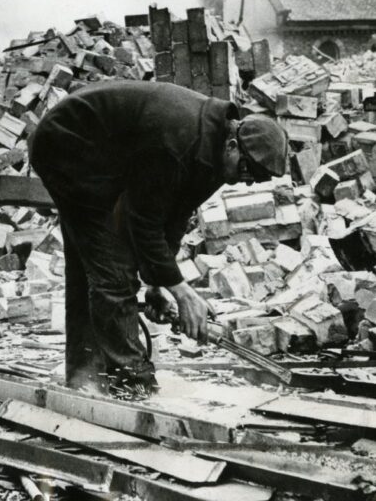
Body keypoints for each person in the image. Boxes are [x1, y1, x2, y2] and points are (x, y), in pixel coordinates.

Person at [27, 79, 288, 398]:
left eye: (255, 181)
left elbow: (174, 217)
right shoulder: (179, 143)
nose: (245, 184)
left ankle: (84, 375)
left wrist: (156, 286)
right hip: (68, 145)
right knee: (112, 271)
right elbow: (144, 221)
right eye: (248, 173)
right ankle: (132, 387)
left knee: (97, 266)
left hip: (105, 156)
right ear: (233, 146)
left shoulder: (215, 153)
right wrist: (182, 292)